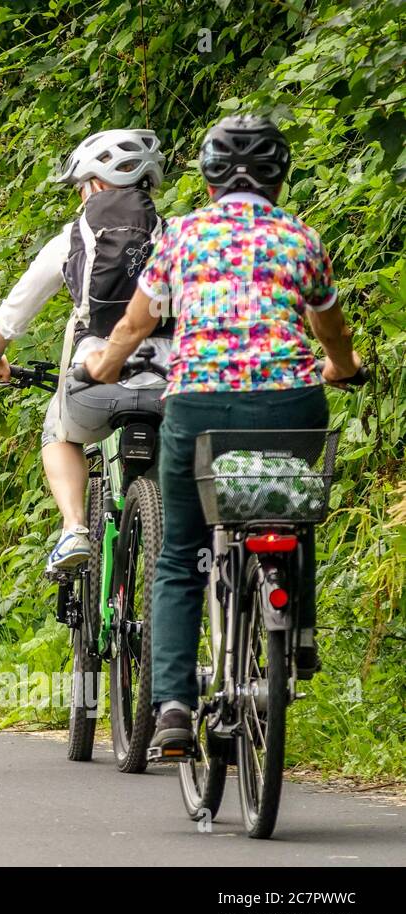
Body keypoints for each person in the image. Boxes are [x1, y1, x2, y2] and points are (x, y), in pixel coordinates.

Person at [82, 114, 361, 756]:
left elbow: (131, 326)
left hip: (198, 411)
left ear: (208, 180)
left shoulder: (181, 239)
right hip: (289, 405)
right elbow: (334, 335)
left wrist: (101, 364)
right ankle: (300, 639)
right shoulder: (301, 238)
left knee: (180, 555)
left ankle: (174, 706)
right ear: (279, 178)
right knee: (291, 511)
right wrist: (342, 370)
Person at [0, 129, 170, 575]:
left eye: (82, 186)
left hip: (95, 383)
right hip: (169, 386)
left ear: (96, 184)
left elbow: (15, 312)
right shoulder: (177, 236)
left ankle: (73, 529)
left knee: (58, 433)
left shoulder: (73, 236)